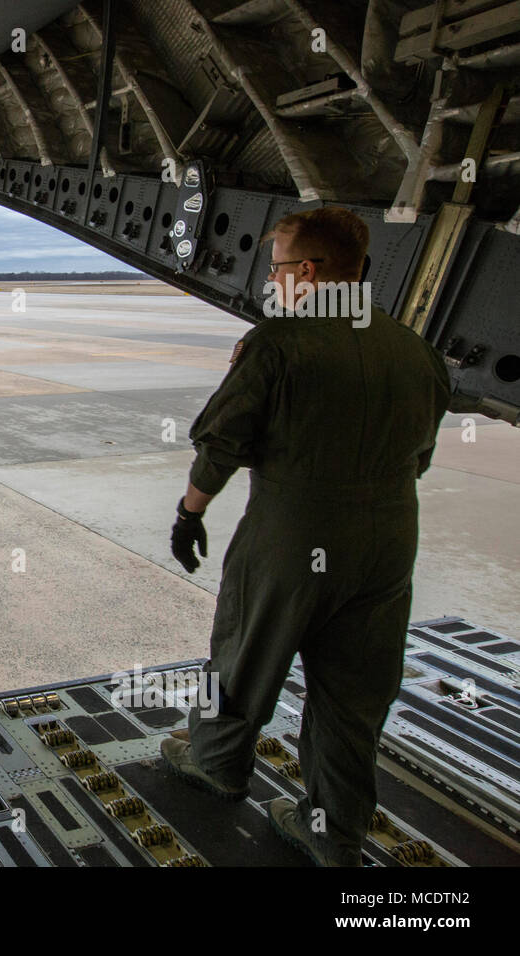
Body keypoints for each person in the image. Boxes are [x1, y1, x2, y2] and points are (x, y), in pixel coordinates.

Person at [162, 206, 451, 866]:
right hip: (387, 546)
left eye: (279, 268)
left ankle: (215, 763)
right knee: (354, 697)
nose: (273, 280)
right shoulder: (417, 351)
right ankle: (331, 830)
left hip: (290, 539)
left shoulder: (280, 341)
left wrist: (190, 513)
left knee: (241, 653)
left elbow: (222, 443)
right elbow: (421, 457)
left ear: (308, 272)